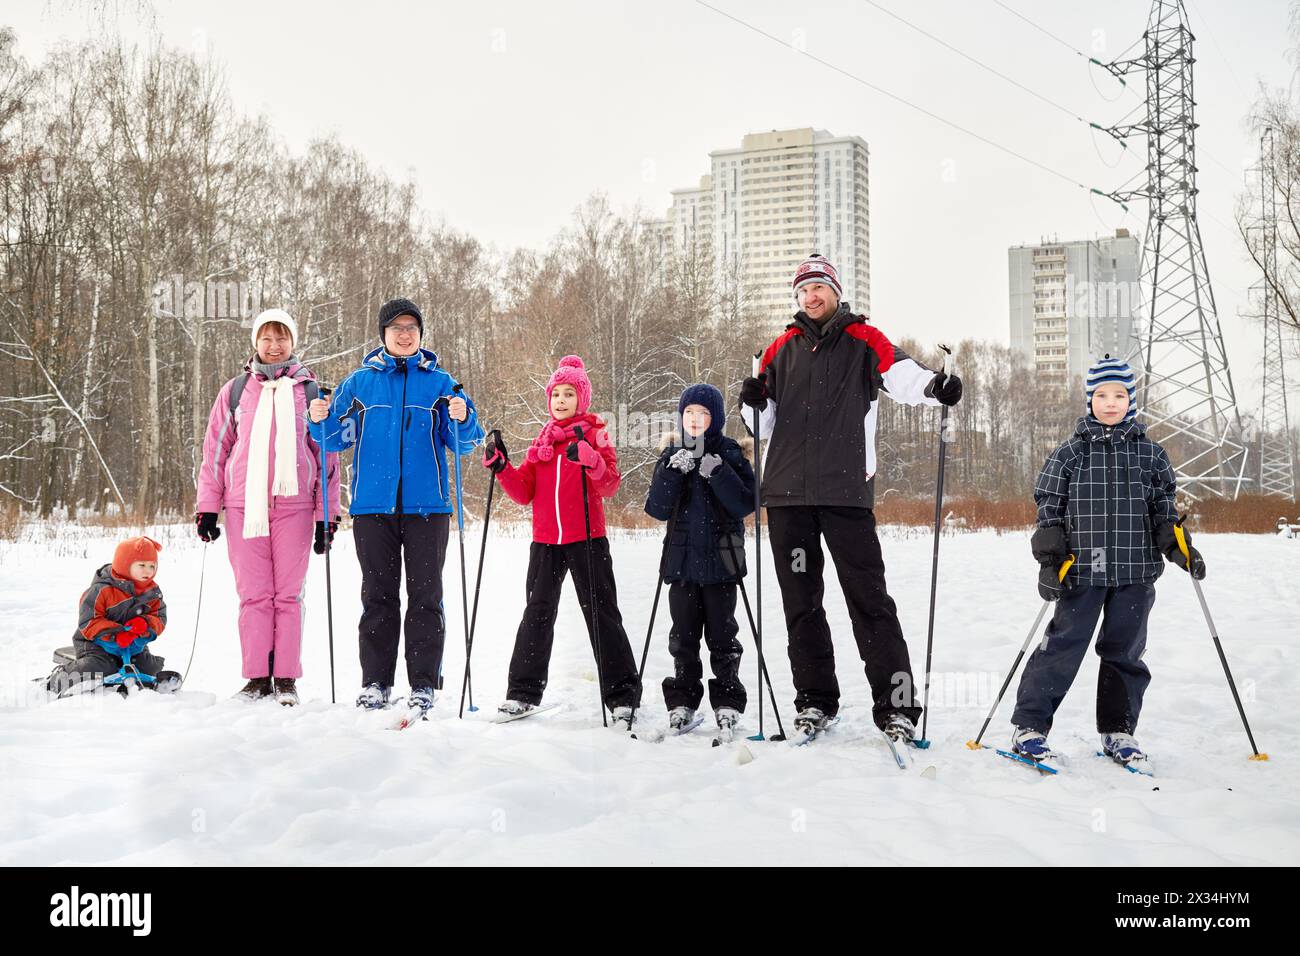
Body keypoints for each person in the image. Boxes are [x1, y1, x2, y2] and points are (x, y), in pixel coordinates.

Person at [739, 253, 963, 742]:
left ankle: (897, 707)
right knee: (802, 603)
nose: (810, 297)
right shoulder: (780, 349)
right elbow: (760, 425)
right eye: (802, 291)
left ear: (835, 291)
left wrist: (936, 386)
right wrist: (751, 400)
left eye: (818, 287)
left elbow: (904, 376)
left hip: (845, 494)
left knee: (869, 600)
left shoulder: (864, 339)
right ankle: (814, 700)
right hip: (787, 498)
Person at [1010, 354, 1205, 769]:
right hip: (1082, 571)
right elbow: (1050, 508)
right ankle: (1029, 728)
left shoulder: (1151, 455)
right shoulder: (1070, 454)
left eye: (1119, 395)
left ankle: (1119, 731)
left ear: (1131, 400)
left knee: (1125, 653)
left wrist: (1179, 548)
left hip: (1135, 574)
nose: (1111, 402)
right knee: (1062, 647)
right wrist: (1049, 561)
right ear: (1090, 399)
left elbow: (1163, 511)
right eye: (1102, 394)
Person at [308, 297, 483, 715]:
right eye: (396, 328)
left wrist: (463, 417)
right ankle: (375, 683)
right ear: (383, 335)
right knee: (378, 596)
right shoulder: (359, 384)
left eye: (412, 328)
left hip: (428, 508)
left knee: (426, 597)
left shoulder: (441, 383)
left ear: (421, 334)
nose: (405, 335)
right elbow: (335, 440)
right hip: (373, 508)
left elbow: (463, 444)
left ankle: (423, 684)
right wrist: (318, 418)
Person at [482, 355, 641, 726]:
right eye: (556, 394)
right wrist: (503, 468)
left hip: (587, 537)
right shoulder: (543, 440)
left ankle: (622, 695)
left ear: (581, 399)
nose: (561, 400)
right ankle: (522, 693)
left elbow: (610, 485)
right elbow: (525, 492)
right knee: (536, 615)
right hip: (545, 542)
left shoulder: (596, 433)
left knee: (602, 614)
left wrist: (591, 460)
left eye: (569, 393)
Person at [196, 308, 340, 705]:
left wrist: (326, 516)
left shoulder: (311, 393)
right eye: (267, 338)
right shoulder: (237, 391)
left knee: (288, 596)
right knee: (254, 595)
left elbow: (327, 456)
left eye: (282, 339)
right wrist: (208, 506)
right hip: (245, 506)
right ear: (255, 343)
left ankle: (287, 679)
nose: (274, 346)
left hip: (295, 507)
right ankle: (257, 677)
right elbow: (216, 451)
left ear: (293, 343)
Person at [643, 383, 754, 736]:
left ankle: (727, 703)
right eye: (689, 413)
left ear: (715, 418)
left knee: (724, 638)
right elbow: (656, 509)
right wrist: (671, 473)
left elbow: (744, 504)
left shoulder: (731, 453)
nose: (695, 419)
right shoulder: (672, 454)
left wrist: (718, 473)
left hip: (723, 564)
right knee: (683, 638)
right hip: (682, 565)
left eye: (702, 413)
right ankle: (682, 702)